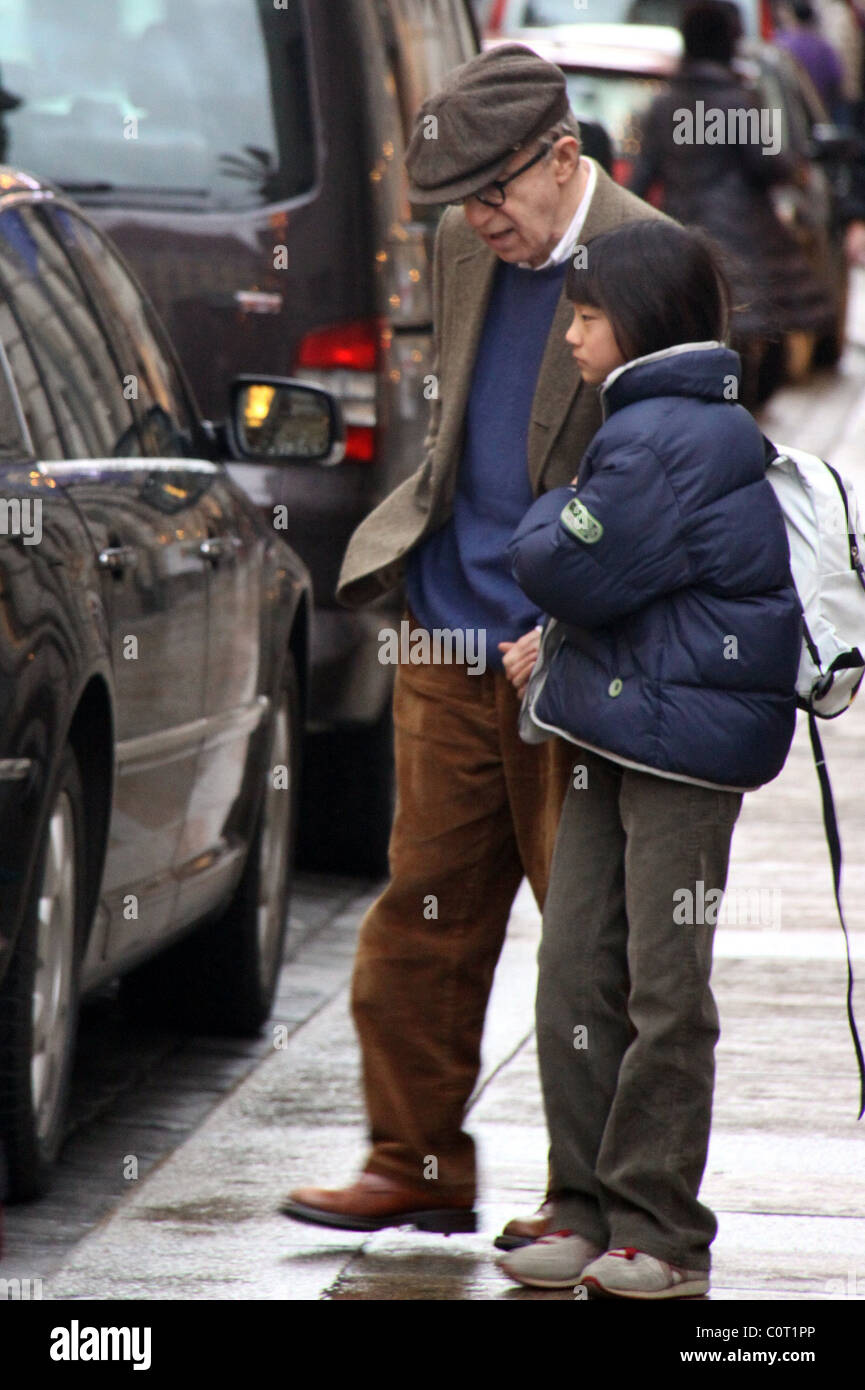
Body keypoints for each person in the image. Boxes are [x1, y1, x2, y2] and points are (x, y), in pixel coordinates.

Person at [280, 44, 667, 1244]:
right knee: (425, 910)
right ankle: (416, 1159)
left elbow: (675, 495)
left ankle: (583, 1197)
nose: (478, 222)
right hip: (446, 633)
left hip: (574, 658)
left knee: (586, 944)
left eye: (495, 194)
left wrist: (562, 623)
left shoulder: (651, 262)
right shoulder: (467, 241)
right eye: (461, 203)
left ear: (565, 157)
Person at [493, 219, 802, 1298]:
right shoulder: (655, 424)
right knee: (576, 965)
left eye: (582, 315)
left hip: (685, 745)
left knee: (661, 985)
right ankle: (581, 1204)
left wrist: (546, 526)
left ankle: (661, 1231)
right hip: (612, 725)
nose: (570, 335)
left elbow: (559, 563)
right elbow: (619, 582)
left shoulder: (668, 433)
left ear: (640, 320)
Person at [629, 1, 837, 407]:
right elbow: (770, 164)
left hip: (684, 236)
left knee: (700, 334)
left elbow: (641, 177)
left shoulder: (663, 104)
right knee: (756, 337)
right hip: (745, 238)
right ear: (730, 43)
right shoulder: (740, 101)